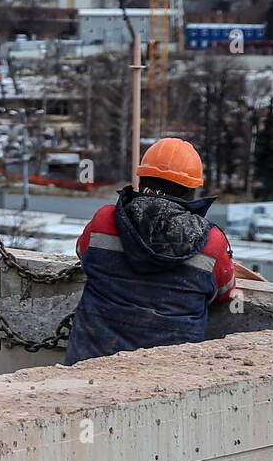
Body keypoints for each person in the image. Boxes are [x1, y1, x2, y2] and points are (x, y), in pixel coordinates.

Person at [64, 137, 236, 365]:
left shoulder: (105, 220)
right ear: (192, 190)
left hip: (88, 364)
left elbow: (83, 254)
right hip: (167, 375)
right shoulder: (212, 242)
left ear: (142, 178)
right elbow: (225, 294)